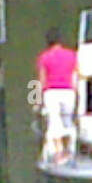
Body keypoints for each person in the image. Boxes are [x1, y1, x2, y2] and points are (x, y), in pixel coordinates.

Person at [35, 28, 78, 162]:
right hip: (68, 92)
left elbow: (41, 80)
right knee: (67, 121)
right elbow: (76, 74)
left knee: (54, 122)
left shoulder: (44, 57)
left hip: (51, 93)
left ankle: (58, 152)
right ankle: (70, 149)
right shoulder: (72, 55)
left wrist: (37, 100)